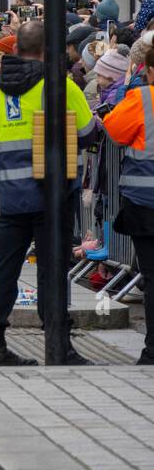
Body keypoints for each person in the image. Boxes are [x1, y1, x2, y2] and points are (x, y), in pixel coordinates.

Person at [0, 20, 99, 366]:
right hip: (51, 192)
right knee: (52, 270)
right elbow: (88, 132)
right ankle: (58, 344)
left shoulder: (0, 90)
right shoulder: (60, 85)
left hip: (12, 192)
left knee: (5, 266)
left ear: (18, 49)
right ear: (49, 51)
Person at [101, 44, 154, 364]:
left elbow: (114, 129)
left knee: (152, 277)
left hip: (146, 205)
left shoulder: (142, 98)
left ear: (148, 70)